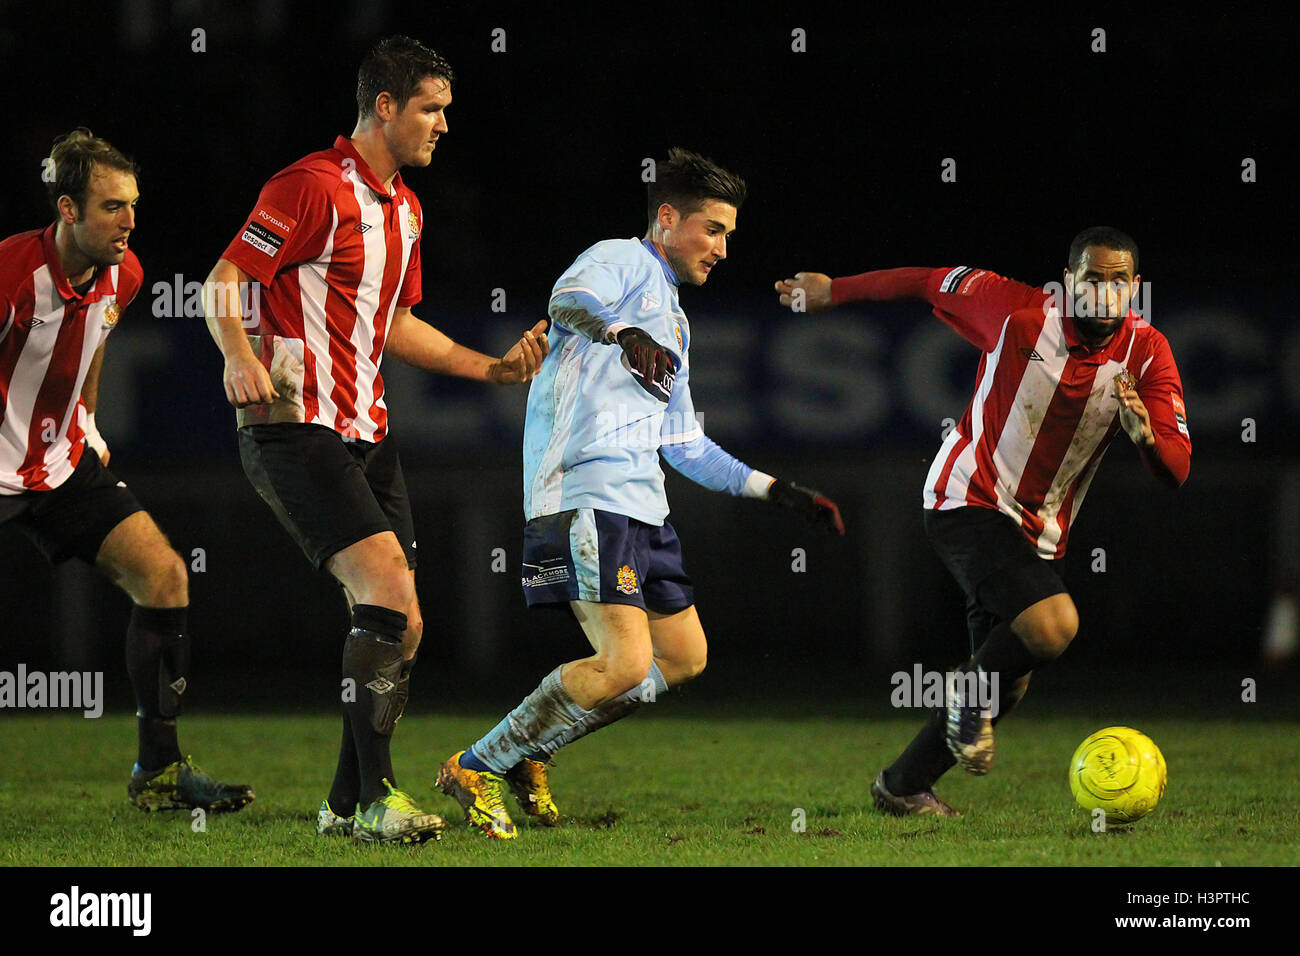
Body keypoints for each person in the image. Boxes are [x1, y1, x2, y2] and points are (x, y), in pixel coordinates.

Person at [436, 147, 845, 839]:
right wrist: (620, 331)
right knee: (624, 664)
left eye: (728, 236)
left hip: (642, 507)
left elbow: (684, 444)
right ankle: (477, 763)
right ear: (666, 218)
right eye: (712, 229)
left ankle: (530, 747)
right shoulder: (621, 260)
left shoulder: (677, 322)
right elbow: (567, 303)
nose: (721, 248)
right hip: (584, 493)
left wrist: (779, 492)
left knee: (682, 658)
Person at [202, 36, 548, 844]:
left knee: (406, 622)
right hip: (294, 425)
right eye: (431, 109)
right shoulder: (310, 185)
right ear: (384, 106)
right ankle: (376, 800)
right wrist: (240, 356)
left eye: (446, 112)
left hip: (366, 431)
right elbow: (227, 279)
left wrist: (490, 370)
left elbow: (393, 323)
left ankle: (340, 801)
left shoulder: (406, 208)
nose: (442, 126)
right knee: (388, 596)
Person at [775, 227, 1192, 815]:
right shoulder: (1015, 310)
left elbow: (1175, 469)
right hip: (966, 498)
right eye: (1092, 278)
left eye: (1117, 281)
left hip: (1040, 530)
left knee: (1010, 683)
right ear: (1069, 281)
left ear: (1135, 288)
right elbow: (924, 281)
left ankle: (901, 787)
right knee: (1053, 625)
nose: (1103, 292)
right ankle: (962, 693)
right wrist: (833, 292)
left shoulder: (1149, 354)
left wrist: (1146, 437)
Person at [0, 129, 253, 813]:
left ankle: (159, 772)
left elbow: (95, 340)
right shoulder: (9, 274)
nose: (130, 221)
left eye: (133, 205)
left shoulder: (127, 273)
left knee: (165, 575)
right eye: (113, 207)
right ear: (66, 211)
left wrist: (86, 421)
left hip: (56, 465)